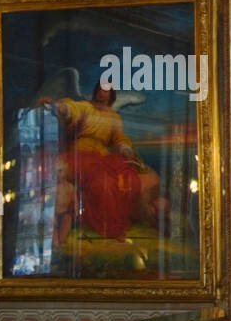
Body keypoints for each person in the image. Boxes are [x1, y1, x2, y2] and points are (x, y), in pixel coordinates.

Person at [39, 79, 163, 243]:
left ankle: (115, 225)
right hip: (80, 154)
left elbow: (119, 138)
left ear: (110, 95)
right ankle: (109, 227)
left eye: (106, 91)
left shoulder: (113, 117)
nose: (102, 94)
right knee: (102, 184)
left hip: (103, 158)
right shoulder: (85, 107)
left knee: (121, 182)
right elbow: (72, 110)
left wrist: (124, 148)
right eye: (100, 90)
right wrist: (60, 107)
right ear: (96, 91)